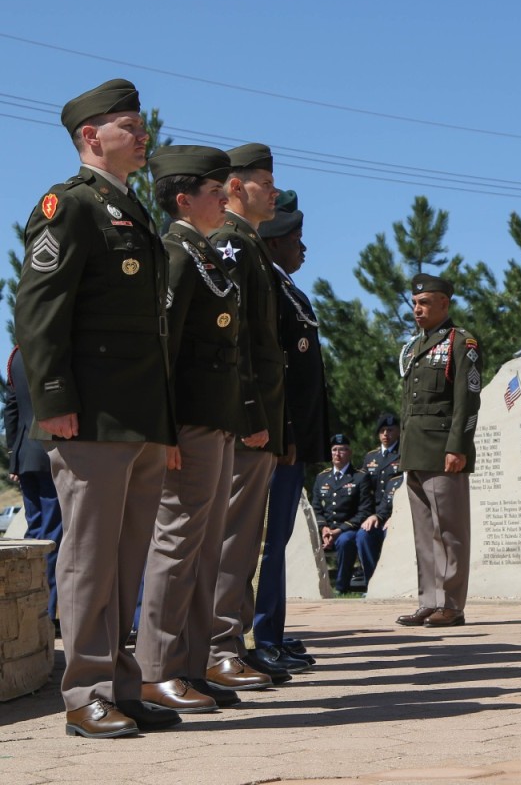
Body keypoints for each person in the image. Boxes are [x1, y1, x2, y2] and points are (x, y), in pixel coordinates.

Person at [15, 79, 181, 737]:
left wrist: (163, 421)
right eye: (129, 127)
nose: (143, 135)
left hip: (137, 416)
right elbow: (39, 310)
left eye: (140, 125)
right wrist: (53, 399)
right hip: (89, 418)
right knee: (89, 559)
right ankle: (85, 691)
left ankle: (119, 684)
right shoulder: (71, 206)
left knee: (125, 561)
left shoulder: (129, 208)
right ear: (91, 136)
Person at [135, 145, 258, 715]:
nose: (224, 199)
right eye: (214, 192)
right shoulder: (176, 255)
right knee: (177, 544)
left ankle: (189, 666)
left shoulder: (204, 255)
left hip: (217, 417)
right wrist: (165, 430)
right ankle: (156, 670)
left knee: (204, 550)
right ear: (184, 200)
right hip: (189, 421)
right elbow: (164, 348)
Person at [206, 143, 290, 688]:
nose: (274, 192)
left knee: (243, 540)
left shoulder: (251, 245)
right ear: (236, 187)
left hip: (259, 419)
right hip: (243, 420)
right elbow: (232, 341)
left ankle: (231, 642)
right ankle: (218, 647)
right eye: (266, 183)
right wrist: (250, 414)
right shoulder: (230, 243)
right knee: (231, 539)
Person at [251, 189, 329, 673]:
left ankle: (272, 631)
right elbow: (271, 370)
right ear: (276, 241)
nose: (304, 248)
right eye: (297, 239)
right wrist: (283, 431)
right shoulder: (269, 287)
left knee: (275, 541)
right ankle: (259, 635)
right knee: (265, 542)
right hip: (278, 438)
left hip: (291, 437)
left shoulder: (285, 288)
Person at [394, 273, 482, 629]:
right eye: (415, 303)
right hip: (416, 450)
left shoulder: (462, 342)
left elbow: (467, 399)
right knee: (424, 534)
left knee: (450, 532)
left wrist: (458, 447)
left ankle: (451, 605)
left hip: (445, 450)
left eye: (425, 302)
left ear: (444, 304)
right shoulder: (416, 346)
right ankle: (428, 601)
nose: (417, 309)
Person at [4, 348, 63, 630]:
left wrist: (13, 455)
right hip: (52, 451)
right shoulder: (52, 350)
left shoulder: (15, 356)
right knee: (52, 536)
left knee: (36, 532)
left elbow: (11, 408)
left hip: (25, 456)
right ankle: (46, 613)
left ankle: (35, 609)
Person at [313, 434, 374, 594]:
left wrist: (338, 531)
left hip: (348, 530)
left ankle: (341, 587)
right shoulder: (322, 478)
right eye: (334, 450)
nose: (337, 454)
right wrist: (324, 528)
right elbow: (317, 508)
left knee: (345, 541)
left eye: (342, 450)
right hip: (325, 530)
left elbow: (365, 511)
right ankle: (311, 587)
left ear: (350, 452)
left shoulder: (360, 477)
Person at [356, 413, 403, 590]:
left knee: (391, 539)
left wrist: (396, 516)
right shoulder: (371, 457)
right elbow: (363, 489)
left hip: (395, 513)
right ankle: (372, 584)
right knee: (363, 536)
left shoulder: (404, 454)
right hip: (373, 514)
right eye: (382, 431)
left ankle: (393, 585)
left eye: (390, 430)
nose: (386, 434)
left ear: (398, 432)